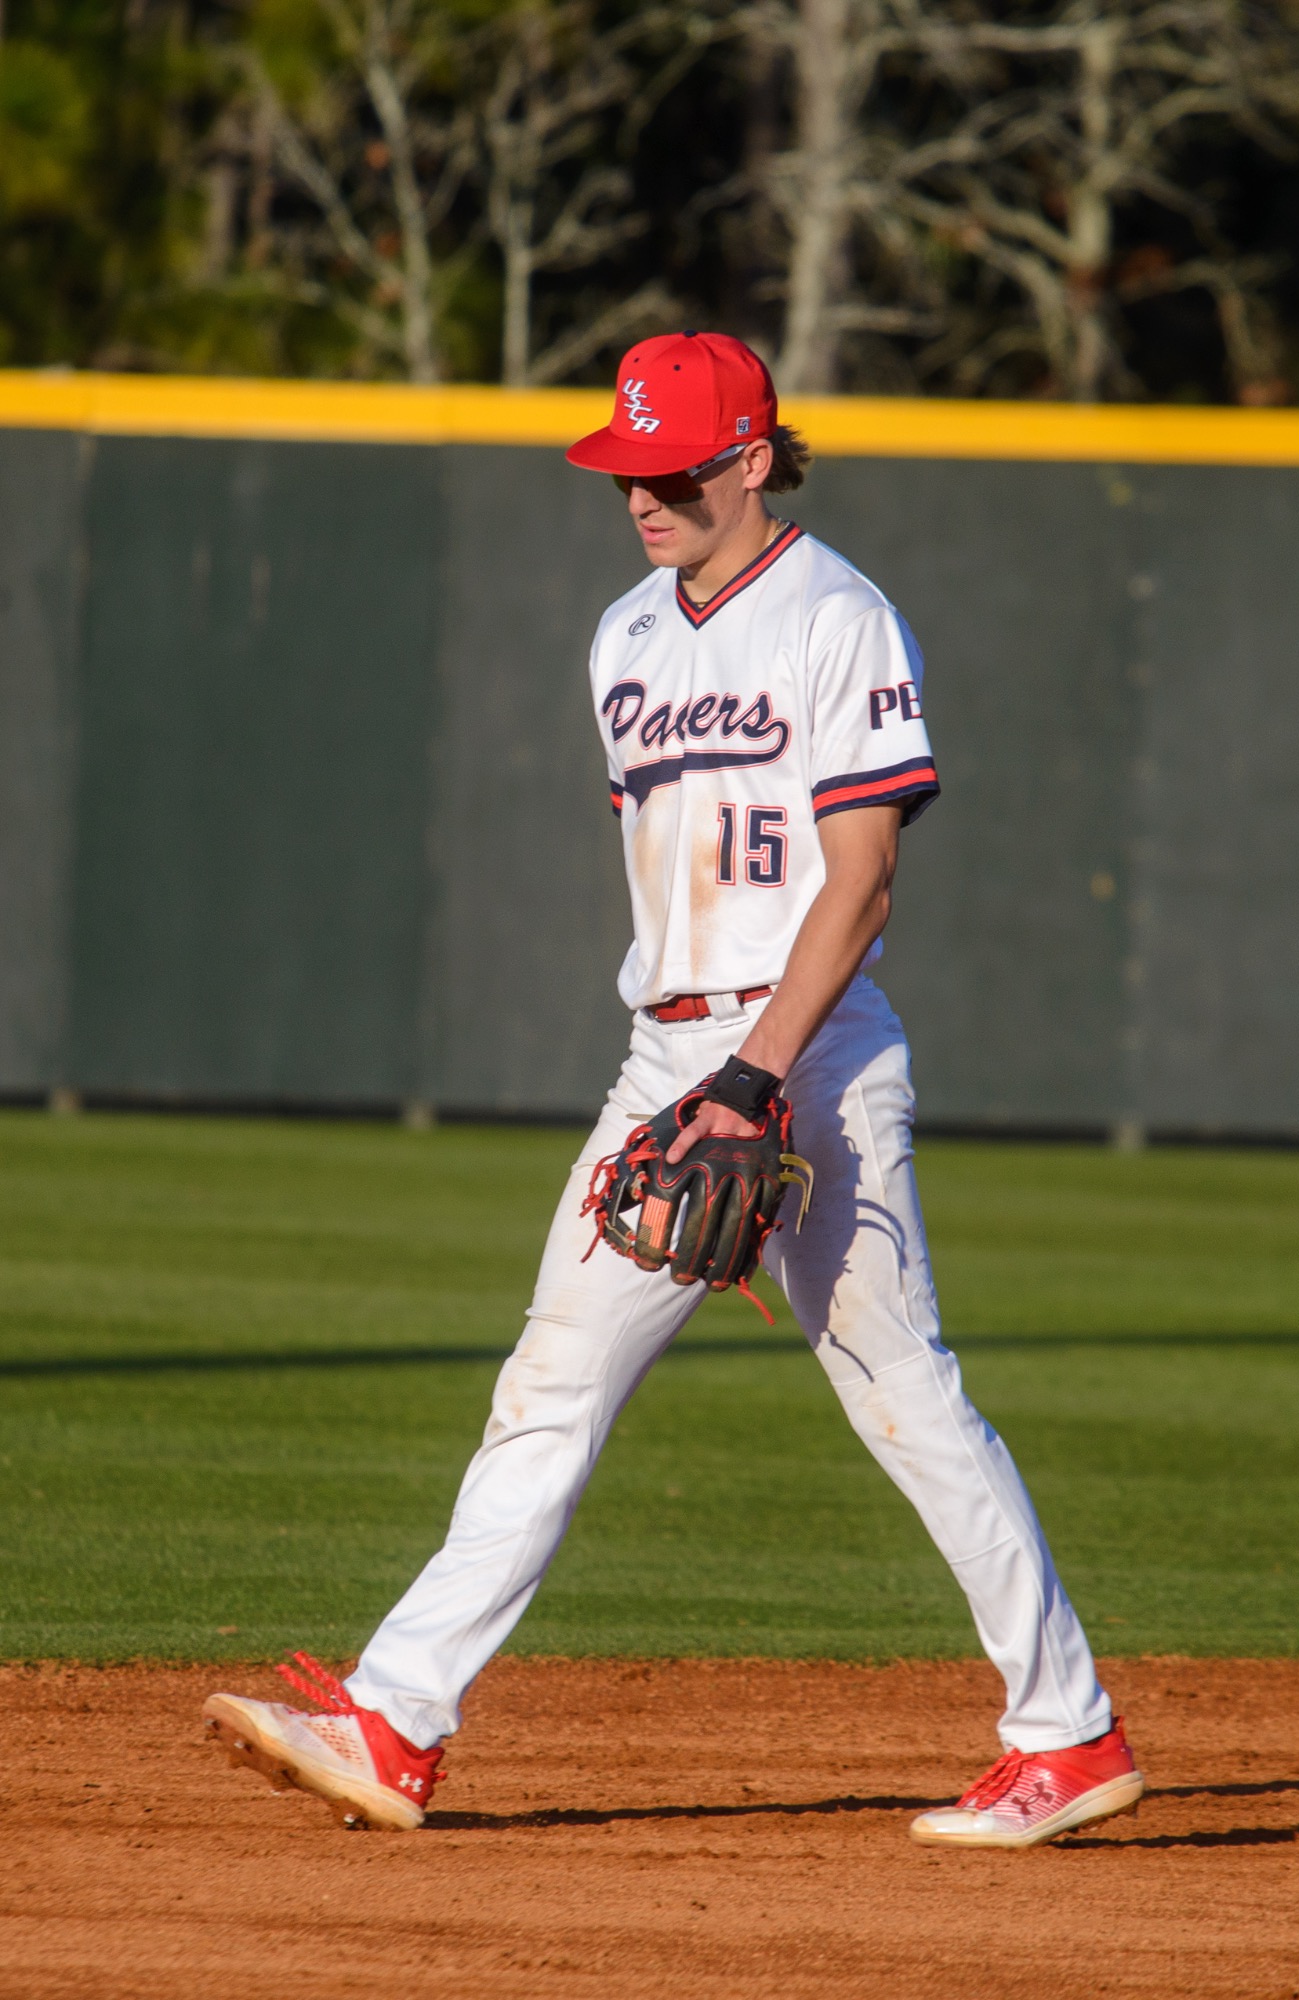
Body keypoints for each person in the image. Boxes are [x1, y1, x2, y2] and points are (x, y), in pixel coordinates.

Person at [205, 331, 1143, 1849]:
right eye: (625, 472)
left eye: (676, 471)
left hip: (807, 1054)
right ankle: (393, 1721)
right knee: (550, 1382)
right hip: (668, 1054)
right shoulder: (626, 634)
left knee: (903, 1393)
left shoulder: (838, 617)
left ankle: (1068, 1733)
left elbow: (863, 877)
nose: (643, 496)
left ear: (753, 460)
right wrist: (700, 1075)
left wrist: (756, 1077)